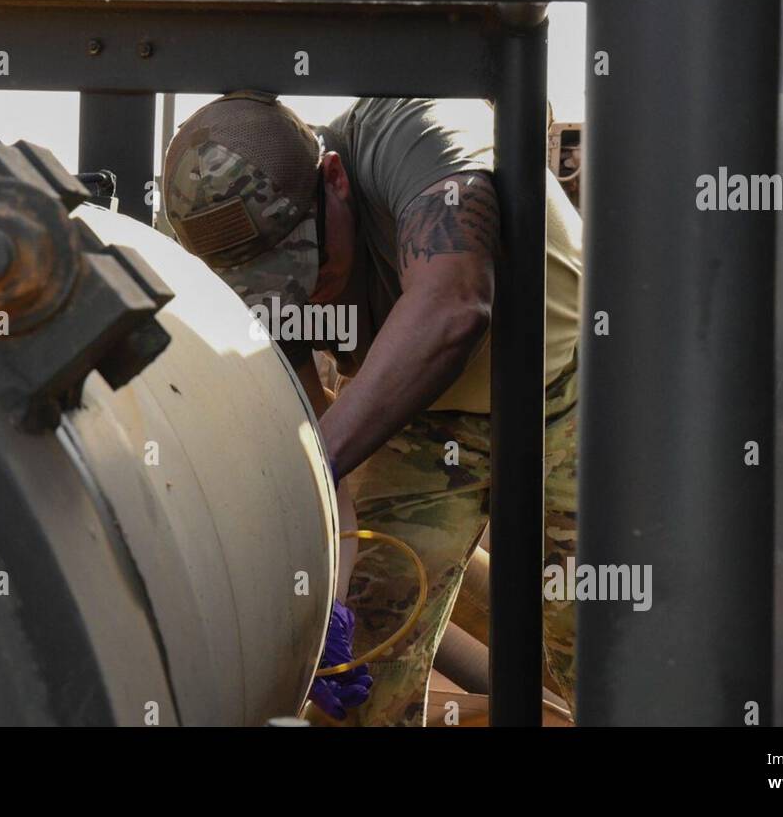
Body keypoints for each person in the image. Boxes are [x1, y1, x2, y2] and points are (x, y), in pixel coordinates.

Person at [163, 91, 582, 725]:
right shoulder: (242, 257)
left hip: (569, 386)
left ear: (334, 180)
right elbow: (323, 451)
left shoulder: (419, 136)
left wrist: (310, 469)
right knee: (364, 645)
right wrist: (327, 600)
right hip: (420, 417)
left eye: (304, 267)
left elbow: (456, 306)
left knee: (602, 636)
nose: (299, 296)